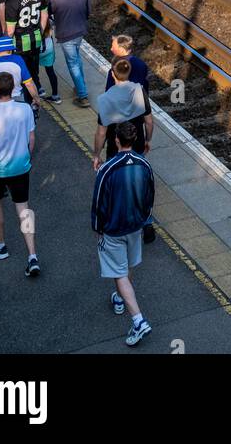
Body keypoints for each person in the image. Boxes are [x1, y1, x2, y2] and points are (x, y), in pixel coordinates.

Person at [91, 120, 154, 346]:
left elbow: (99, 203)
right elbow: (150, 197)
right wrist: (143, 219)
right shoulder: (144, 165)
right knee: (128, 264)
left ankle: (137, 319)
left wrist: (98, 228)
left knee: (118, 272)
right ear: (135, 139)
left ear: (116, 140)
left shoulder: (107, 169)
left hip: (113, 228)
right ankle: (120, 298)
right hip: (135, 225)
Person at [0, 70, 39, 275]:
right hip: (21, 166)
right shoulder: (25, 109)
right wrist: (28, 157)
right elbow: (31, 139)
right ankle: (32, 255)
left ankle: (0, 246)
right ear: (14, 88)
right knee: (24, 209)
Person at [94, 58, 152, 167]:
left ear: (112, 74)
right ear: (129, 72)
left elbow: (101, 133)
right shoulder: (140, 91)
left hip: (115, 150)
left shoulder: (105, 99)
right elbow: (149, 122)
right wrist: (148, 140)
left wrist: (96, 155)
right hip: (137, 145)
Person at [48, 0, 91, 107]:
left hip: (66, 36)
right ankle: (80, 87)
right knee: (77, 60)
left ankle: (83, 96)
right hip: (80, 32)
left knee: (73, 64)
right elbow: (88, 11)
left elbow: (49, 15)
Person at [3, 0, 47, 89]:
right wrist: (41, 30)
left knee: (23, 72)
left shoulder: (11, 2)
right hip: (37, 38)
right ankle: (38, 87)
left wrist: (6, 46)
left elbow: (10, 30)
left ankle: (30, 95)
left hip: (20, 44)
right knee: (34, 67)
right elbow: (44, 13)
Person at [0, 34, 40, 107]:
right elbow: (29, 84)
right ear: (10, 50)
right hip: (17, 99)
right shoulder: (18, 59)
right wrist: (36, 98)